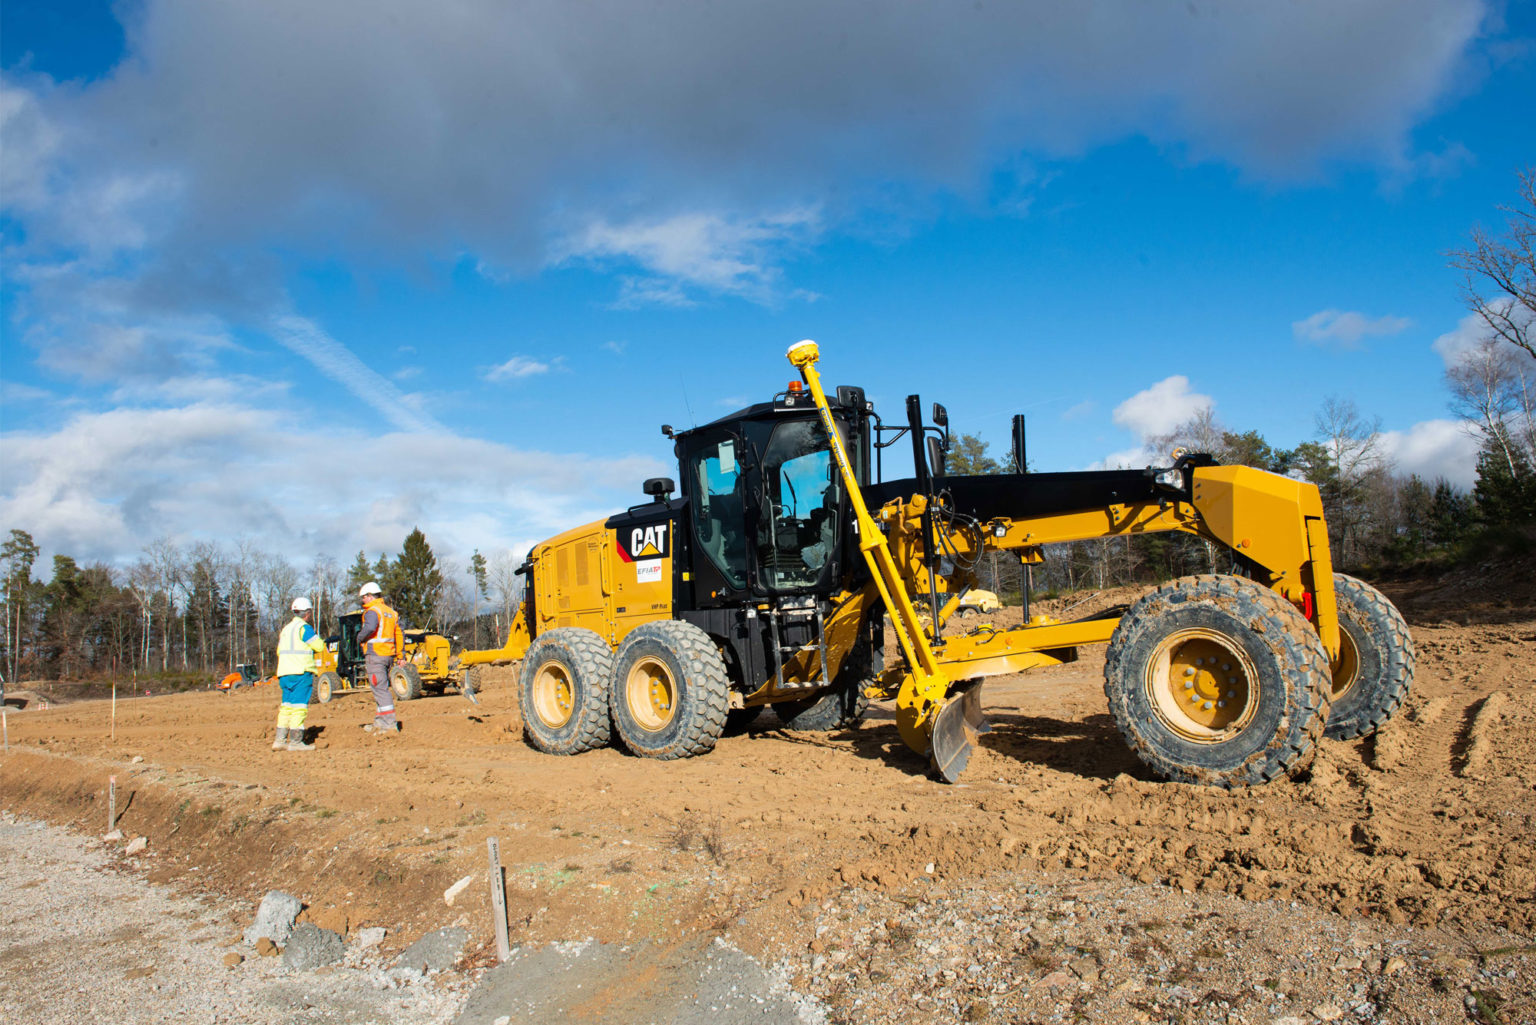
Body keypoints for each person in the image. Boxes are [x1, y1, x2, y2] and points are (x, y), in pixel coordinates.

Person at [274, 597, 327, 751]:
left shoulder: (286, 629)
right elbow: (319, 645)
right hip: (300, 671)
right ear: (307, 613)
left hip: (284, 673)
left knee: (286, 706)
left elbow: (279, 651)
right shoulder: (304, 628)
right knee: (299, 706)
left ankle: (280, 740)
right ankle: (296, 742)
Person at [357, 581, 404, 734]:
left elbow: (370, 628)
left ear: (370, 596)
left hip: (375, 655)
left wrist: (359, 637)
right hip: (388, 655)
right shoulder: (391, 612)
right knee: (380, 689)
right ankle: (380, 722)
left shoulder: (373, 611)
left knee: (380, 689)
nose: (362, 600)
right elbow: (399, 634)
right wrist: (400, 654)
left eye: (364, 597)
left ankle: (389, 725)